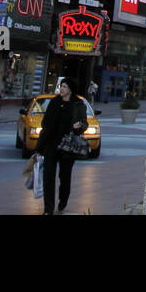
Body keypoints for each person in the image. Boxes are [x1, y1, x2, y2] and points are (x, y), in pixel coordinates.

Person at [37, 78, 87, 214]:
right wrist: (41, 144)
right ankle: (48, 209)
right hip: (51, 144)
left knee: (64, 178)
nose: (61, 89)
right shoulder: (54, 102)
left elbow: (84, 123)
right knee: (48, 178)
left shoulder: (78, 104)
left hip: (68, 147)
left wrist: (78, 126)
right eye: (61, 86)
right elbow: (45, 123)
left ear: (70, 89)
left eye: (64, 86)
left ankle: (63, 200)